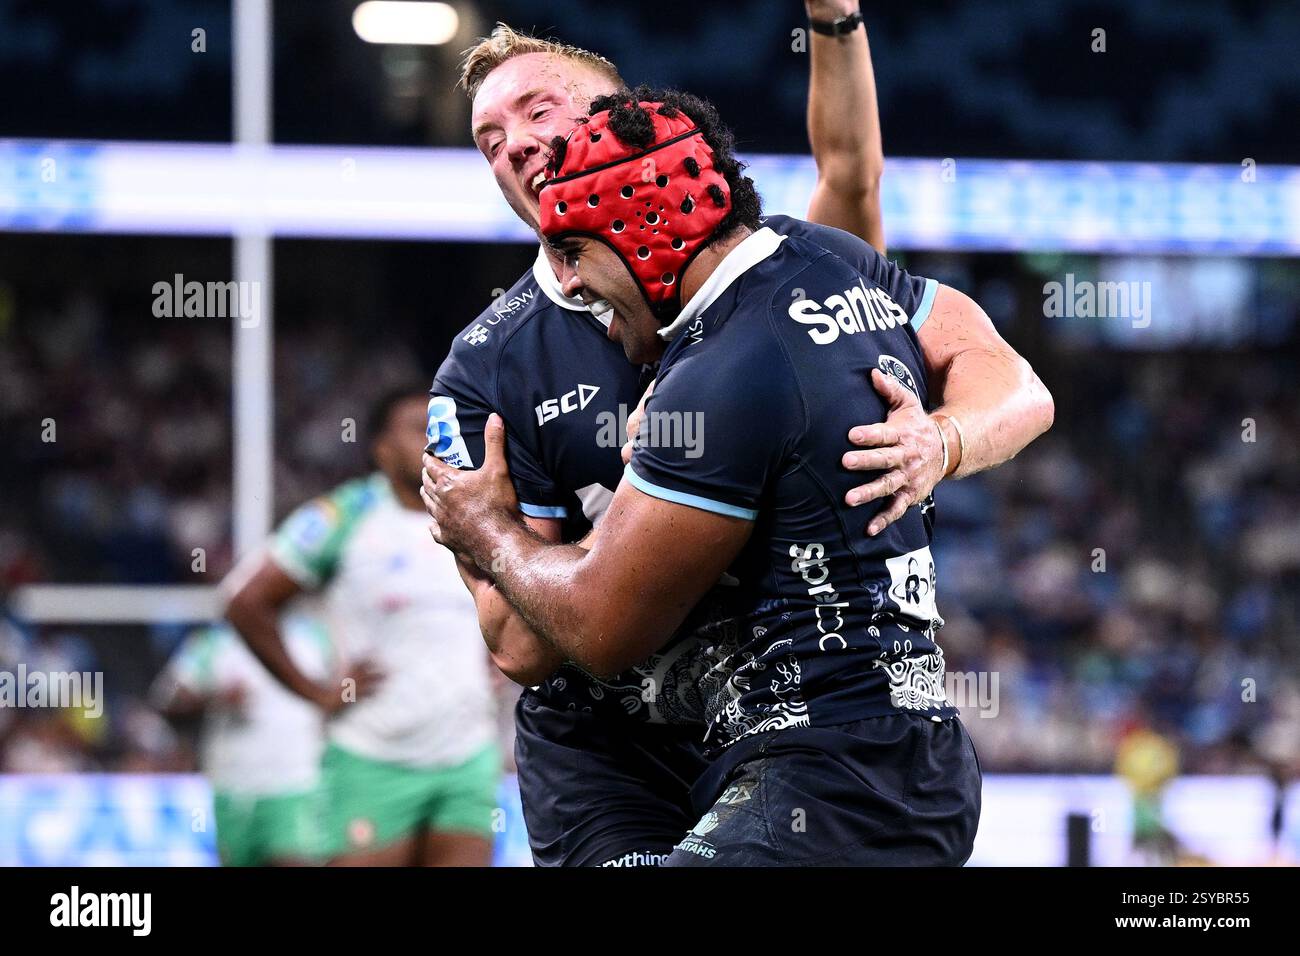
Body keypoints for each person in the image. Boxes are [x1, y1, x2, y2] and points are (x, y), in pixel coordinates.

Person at [424, 90, 1054, 865]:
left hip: (834, 773)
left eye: (577, 253)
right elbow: (1017, 381)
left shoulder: (724, 370)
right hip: (882, 755)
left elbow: (600, 626)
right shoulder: (828, 259)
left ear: (643, 236)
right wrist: (947, 440)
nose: (575, 285)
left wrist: (484, 531)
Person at [431, 6, 897, 867]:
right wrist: (650, 513)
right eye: (489, 140)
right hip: (610, 751)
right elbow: (519, 644)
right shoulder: (485, 369)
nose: (515, 145)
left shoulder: (768, 291)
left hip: (777, 721)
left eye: (540, 111)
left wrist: (944, 436)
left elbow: (853, 185)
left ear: (628, 119)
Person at [225, 388, 500, 867]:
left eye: (438, 426)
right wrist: (317, 694)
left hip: (467, 756)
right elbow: (247, 602)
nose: (432, 438)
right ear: (381, 448)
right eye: (417, 427)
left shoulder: (477, 516)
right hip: (372, 756)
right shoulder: (344, 515)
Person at [152, 618, 331, 867]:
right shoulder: (212, 642)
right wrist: (213, 697)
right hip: (232, 790)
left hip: (298, 785)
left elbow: (345, 690)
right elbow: (165, 699)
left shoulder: (315, 636)